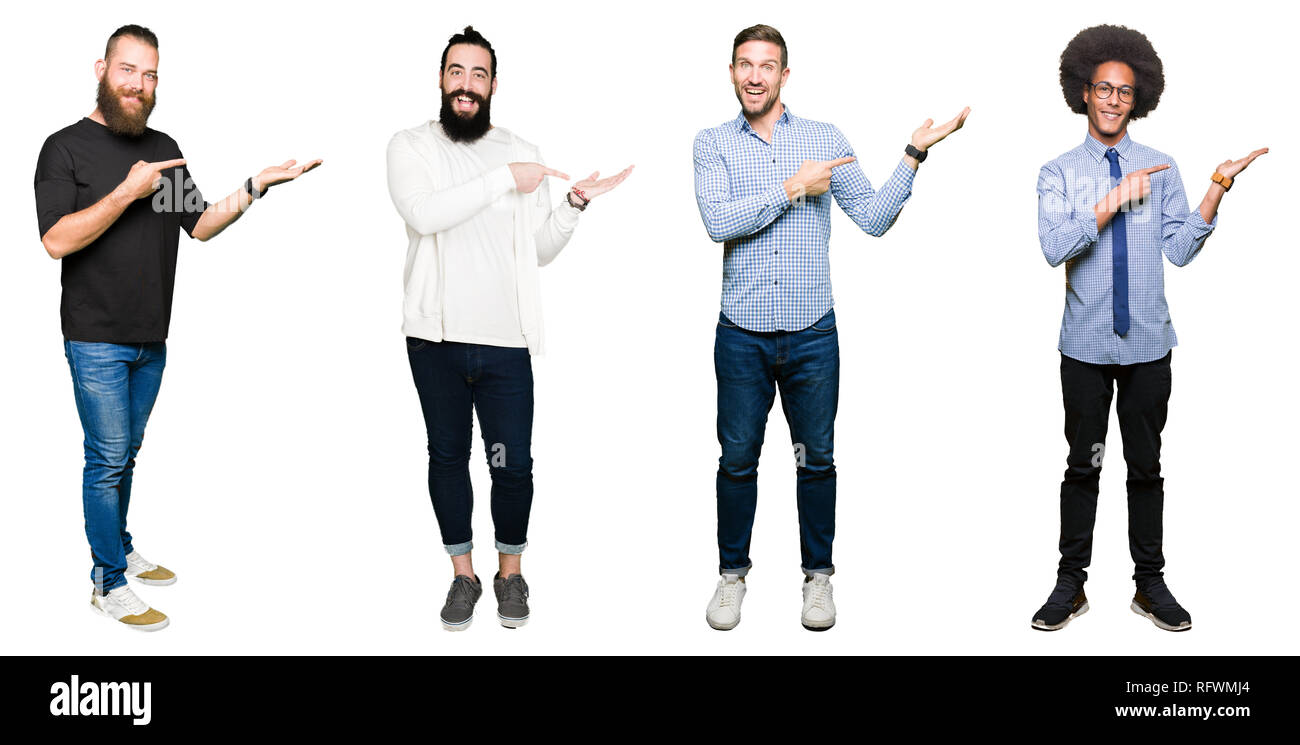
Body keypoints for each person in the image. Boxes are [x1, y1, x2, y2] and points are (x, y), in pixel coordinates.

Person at [34, 24, 322, 631]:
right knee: (106, 459)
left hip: (151, 340)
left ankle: (120, 545)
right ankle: (106, 582)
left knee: (126, 456)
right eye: (128, 70)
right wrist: (125, 191)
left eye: (151, 74)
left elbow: (201, 224)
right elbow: (56, 240)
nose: (140, 84)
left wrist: (255, 187)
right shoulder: (64, 148)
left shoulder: (163, 148)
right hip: (95, 340)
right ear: (101, 70)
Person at [693, 24, 969, 631]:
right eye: (744, 64)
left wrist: (913, 154)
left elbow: (872, 217)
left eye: (767, 65)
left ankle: (818, 579)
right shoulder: (711, 144)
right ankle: (731, 575)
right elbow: (718, 222)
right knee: (737, 459)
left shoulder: (823, 139)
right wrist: (794, 187)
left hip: (812, 336)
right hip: (740, 335)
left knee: (815, 459)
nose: (755, 75)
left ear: (785, 75)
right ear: (732, 72)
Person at [386, 26, 632, 632]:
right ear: (440, 79)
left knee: (511, 463)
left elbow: (536, 250)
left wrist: (572, 206)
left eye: (477, 74)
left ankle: (510, 572)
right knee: (447, 456)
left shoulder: (519, 147)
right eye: (455, 72)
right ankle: (463, 576)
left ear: (493, 85)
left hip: (506, 343)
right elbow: (424, 214)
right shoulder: (410, 145)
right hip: (435, 340)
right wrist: (504, 179)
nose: (465, 85)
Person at [1032, 24, 1266, 632]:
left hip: (1148, 347)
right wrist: (1110, 201)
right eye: (1103, 88)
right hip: (1083, 347)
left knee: (1146, 466)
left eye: (1125, 92)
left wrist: (1217, 188)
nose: (1113, 100)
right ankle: (1070, 584)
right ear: (1083, 92)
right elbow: (1053, 247)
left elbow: (1182, 249)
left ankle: (1150, 583)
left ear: (1139, 100)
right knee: (1083, 464)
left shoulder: (1161, 168)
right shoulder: (1056, 172)